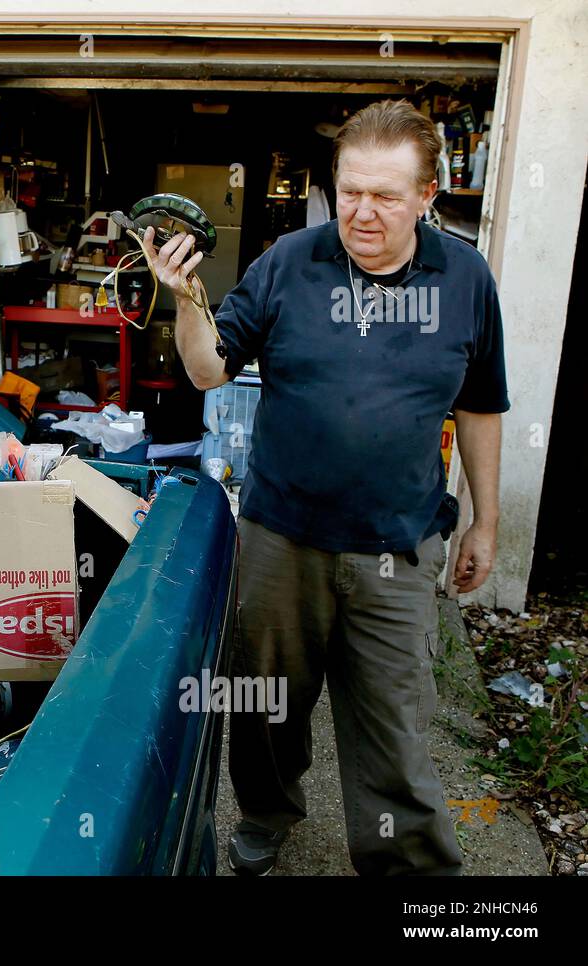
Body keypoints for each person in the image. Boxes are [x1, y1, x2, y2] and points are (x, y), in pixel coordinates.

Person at [141, 99, 509, 875]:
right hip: (282, 537)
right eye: (350, 191)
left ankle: (410, 869)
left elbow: (480, 406)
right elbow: (208, 368)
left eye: (385, 195)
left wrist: (485, 520)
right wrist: (185, 297)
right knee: (269, 706)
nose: (363, 212)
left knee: (396, 728)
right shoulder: (288, 262)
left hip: (397, 544)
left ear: (427, 197)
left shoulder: (466, 279)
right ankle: (268, 814)